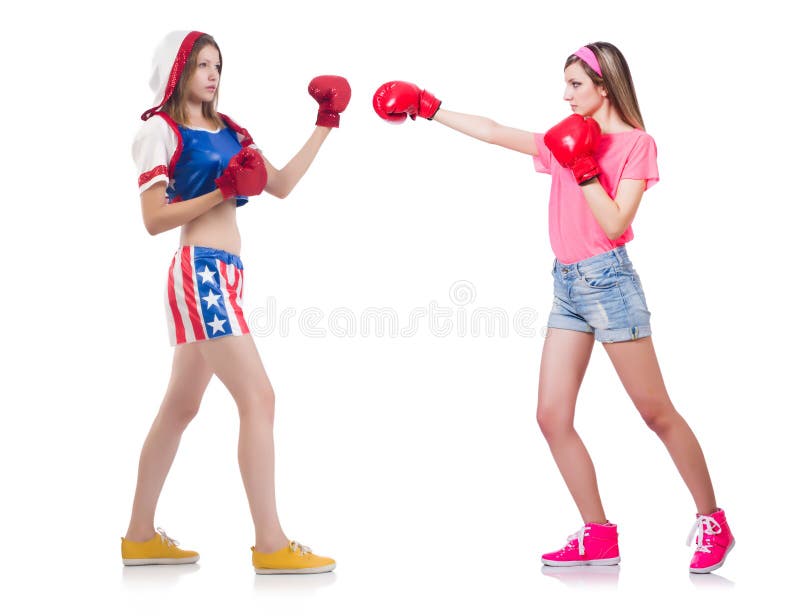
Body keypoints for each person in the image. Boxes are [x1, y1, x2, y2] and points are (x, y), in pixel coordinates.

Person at [372, 42, 734, 574]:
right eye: (565, 85)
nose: (565, 95)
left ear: (604, 86)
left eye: (575, 85)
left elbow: (614, 224)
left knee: (655, 413)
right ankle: (598, 535)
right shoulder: (566, 138)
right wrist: (430, 106)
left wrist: (583, 166)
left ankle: (713, 520)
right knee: (551, 415)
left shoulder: (636, 144)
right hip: (566, 286)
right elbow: (497, 132)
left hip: (609, 283)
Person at [124, 30, 350, 575]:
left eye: (218, 66)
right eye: (201, 65)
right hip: (199, 271)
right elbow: (154, 220)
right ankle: (270, 544)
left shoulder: (230, 130)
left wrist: (324, 124)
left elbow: (282, 184)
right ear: (178, 70)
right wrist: (222, 191)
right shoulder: (160, 131)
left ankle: (139, 538)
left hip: (227, 275)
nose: (212, 75)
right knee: (260, 397)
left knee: (180, 407)